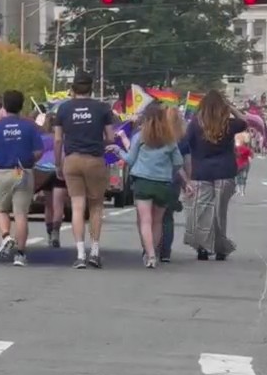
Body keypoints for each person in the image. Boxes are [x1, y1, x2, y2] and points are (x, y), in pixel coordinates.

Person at [52, 71, 119, 269]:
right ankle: (95, 251)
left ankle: (80, 253)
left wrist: (57, 163)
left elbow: (57, 139)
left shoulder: (63, 109)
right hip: (95, 160)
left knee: (77, 207)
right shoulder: (102, 108)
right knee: (96, 207)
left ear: (73, 88)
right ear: (91, 88)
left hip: (72, 161)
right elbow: (110, 137)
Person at [181, 89, 247, 261]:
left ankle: (202, 247)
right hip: (225, 172)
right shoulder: (228, 124)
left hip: (201, 173)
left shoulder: (195, 123)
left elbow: (185, 144)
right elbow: (244, 122)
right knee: (220, 212)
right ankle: (220, 249)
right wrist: (231, 108)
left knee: (202, 212)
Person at [0, 90, 44, 267]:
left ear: (4, 107)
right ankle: (21, 255)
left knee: (1, 210)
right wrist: (30, 161)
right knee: (21, 214)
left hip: (3, 172)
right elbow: (39, 151)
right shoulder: (30, 126)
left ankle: (6, 236)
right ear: (21, 106)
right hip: (24, 171)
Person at [125, 104, 192, 268]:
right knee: (157, 221)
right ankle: (154, 250)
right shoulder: (170, 140)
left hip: (142, 182)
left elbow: (129, 160)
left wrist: (118, 152)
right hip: (163, 183)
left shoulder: (141, 137)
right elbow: (178, 163)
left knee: (145, 221)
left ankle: (151, 255)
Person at [35, 108, 68, 248]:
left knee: (48, 205)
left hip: (45, 171)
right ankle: (56, 232)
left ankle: (49, 233)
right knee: (58, 205)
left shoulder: (43, 138)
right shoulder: (63, 138)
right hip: (60, 171)